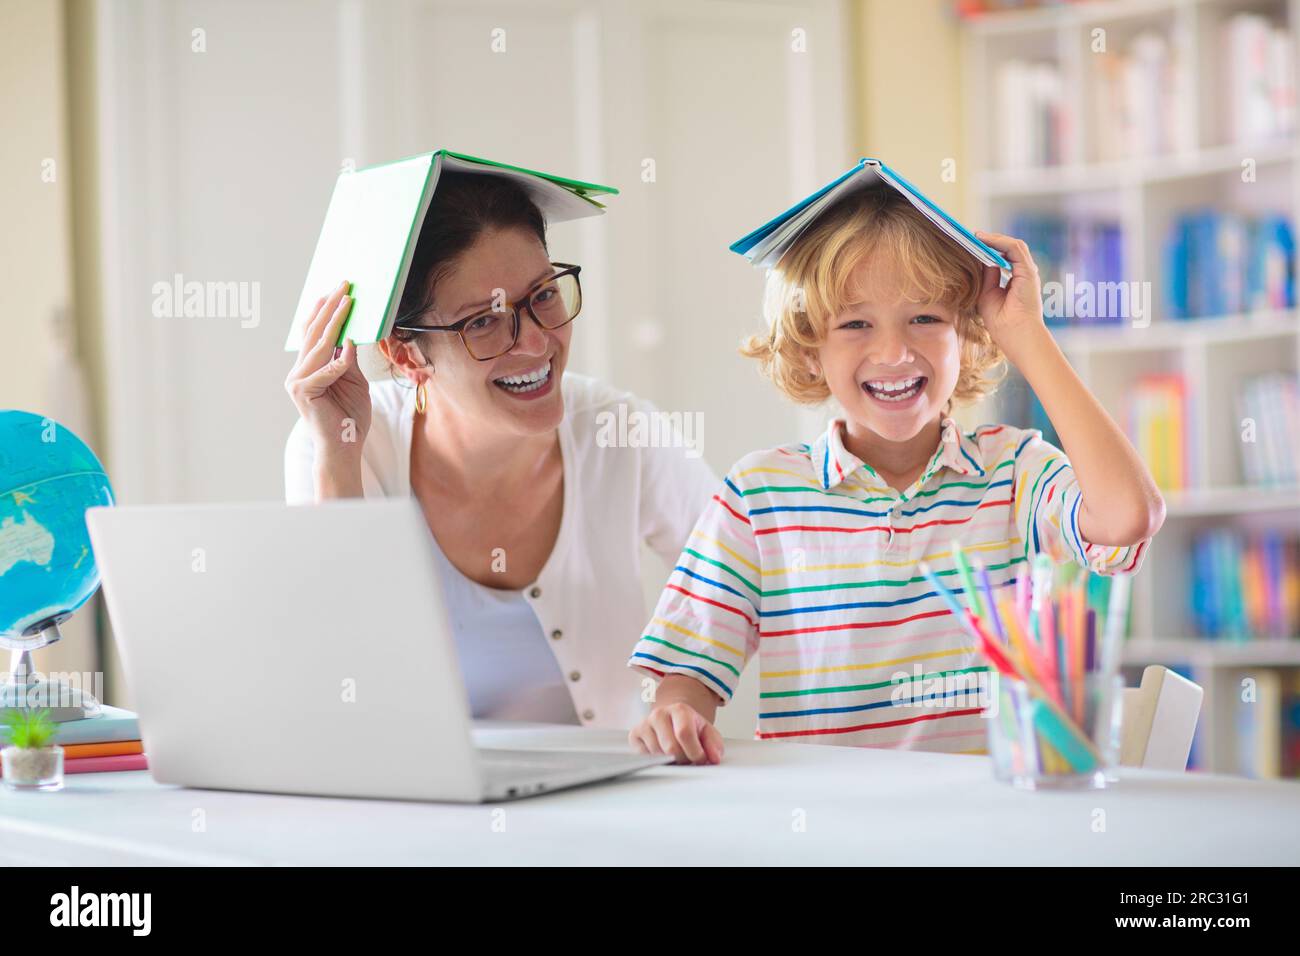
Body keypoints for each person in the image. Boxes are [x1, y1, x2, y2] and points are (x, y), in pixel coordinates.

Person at [627, 186, 1164, 763]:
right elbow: (686, 672)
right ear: (811, 348)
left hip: (985, 829)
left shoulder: (1013, 473)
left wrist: (1026, 334)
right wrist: (675, 712)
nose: (893, 353)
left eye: (925, 318)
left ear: (968, 335)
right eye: (856, 323)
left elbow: (1127, 516)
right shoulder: (760, 494)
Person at [284, 172, 717, 729]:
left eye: (542, 295)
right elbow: (339, 668)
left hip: (607, 795)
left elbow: (738, 579)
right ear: (409, 356)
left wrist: (679, 695)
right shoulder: (344, 442)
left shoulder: (619, 429)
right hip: (421, 802)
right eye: (484, 322)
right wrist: (339, 456)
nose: (537, 342)